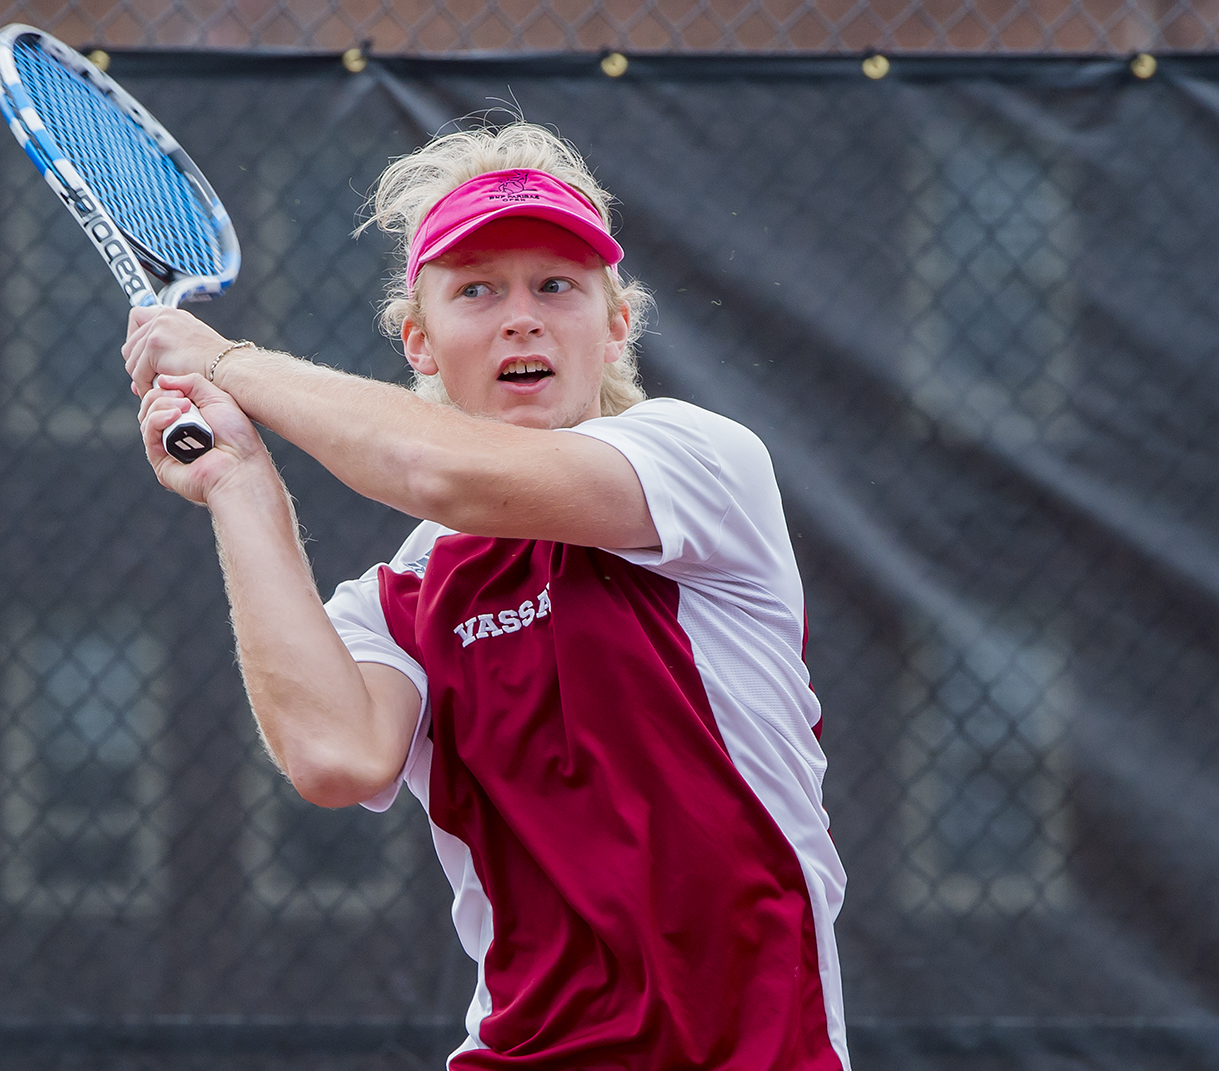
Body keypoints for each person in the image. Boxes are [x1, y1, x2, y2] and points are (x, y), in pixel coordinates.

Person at [122, 121, 849, 1070]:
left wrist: (228, 361)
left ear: (615, 323)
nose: (522, 316)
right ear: (419, 342)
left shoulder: (701, 465)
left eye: (557, 285)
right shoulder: (402, 598)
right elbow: (336, 758)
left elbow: (432, 467)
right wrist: (239, 487)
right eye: (478, 291)